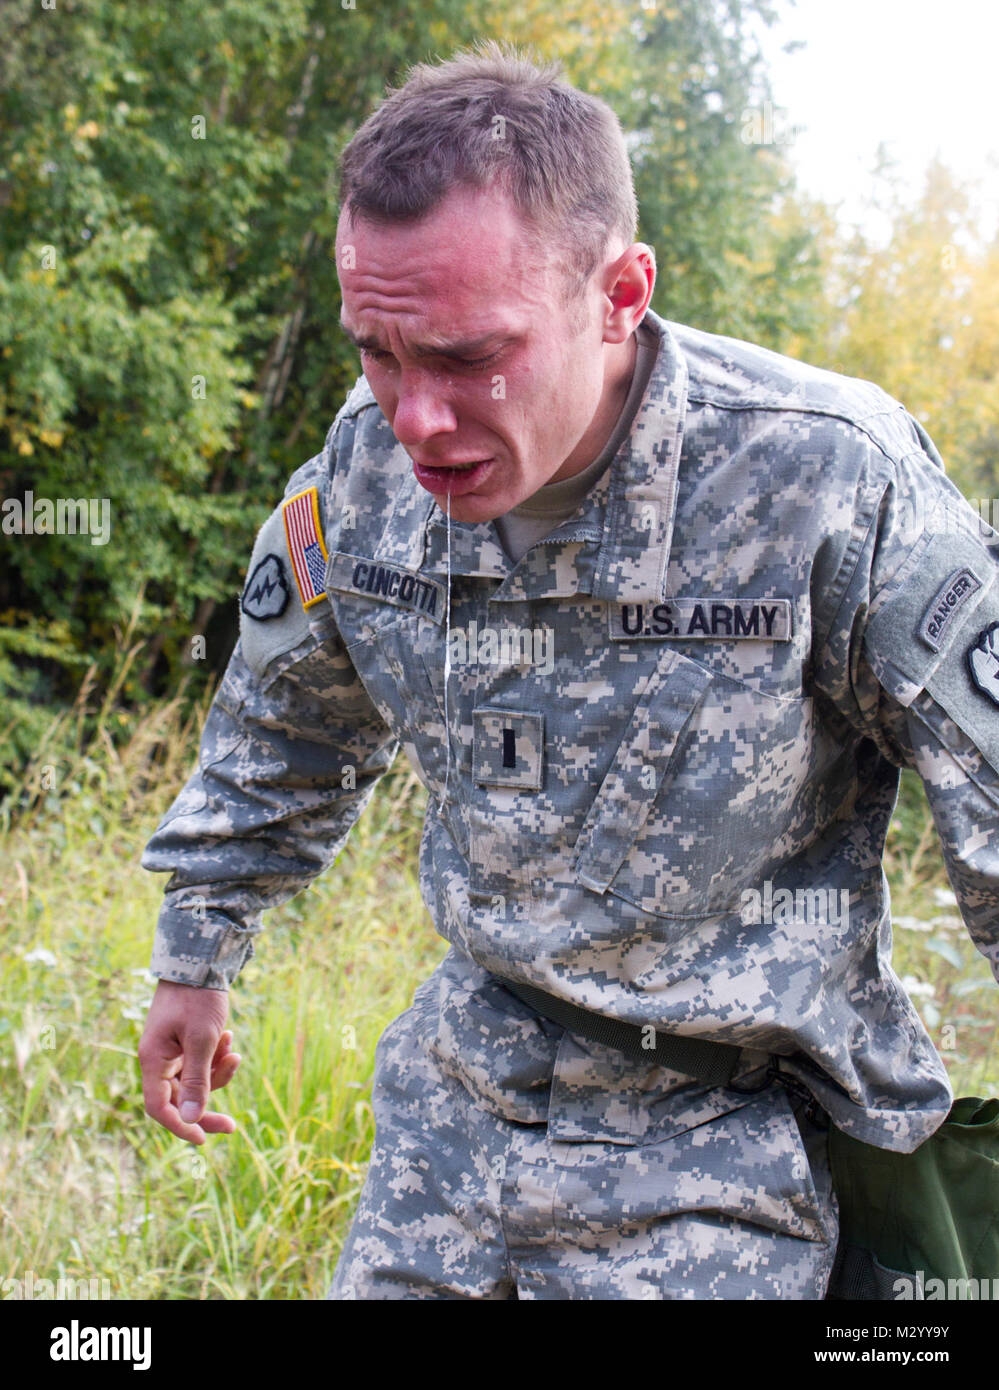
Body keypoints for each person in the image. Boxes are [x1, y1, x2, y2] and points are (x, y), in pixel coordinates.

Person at [138, 42, 999, 1300]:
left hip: (723, 1158)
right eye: (379, 351)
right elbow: (286, 726)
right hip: (458, 1109)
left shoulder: (827, 480)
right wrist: (195, 953)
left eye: (469, 357)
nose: (416, 417)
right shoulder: (363, 476)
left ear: (620, 292)